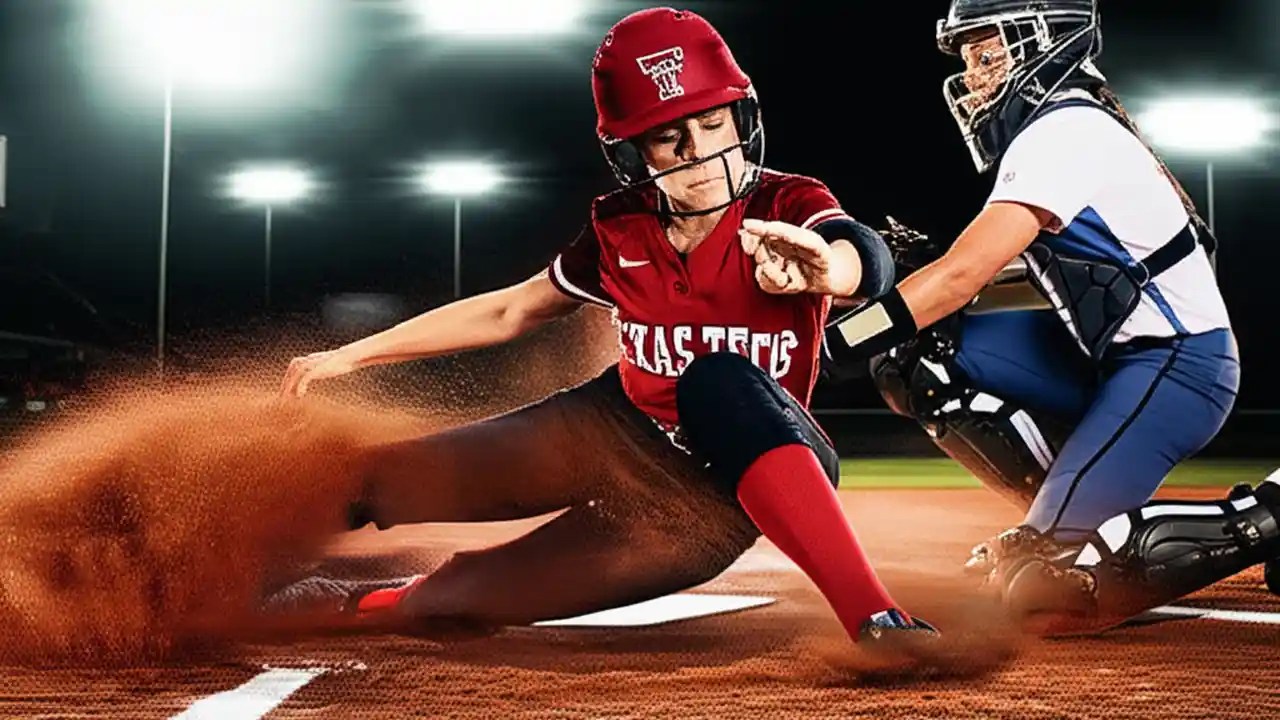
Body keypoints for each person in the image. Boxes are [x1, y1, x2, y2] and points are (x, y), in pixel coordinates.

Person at [265, 7, 936, 649]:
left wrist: (832, 268)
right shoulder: (620, 225)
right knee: (368, 480)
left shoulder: (787, 203)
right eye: (669, 133)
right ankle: (201, 574)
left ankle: (878, 620)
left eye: (712, 122)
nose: (698, 150)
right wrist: (354, 354)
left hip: (701, 506)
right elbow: (512, 310)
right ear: (633, 149)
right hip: (609, 430)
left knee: (453, 599)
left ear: (742, 117)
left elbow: (860, 255)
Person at [817, 0, 1280, 634]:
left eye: (987, 54)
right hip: (1111, 359)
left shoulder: (1064, 130)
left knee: (1050, 592)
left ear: (1044, 42)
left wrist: (836, 341)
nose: (974, 76)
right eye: (970, 59)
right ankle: (1068, 509)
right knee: (922, 349)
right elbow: (1011, 284)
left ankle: (1268, 513)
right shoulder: (1059, 129)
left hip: (1178, 365)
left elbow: (960, 276)